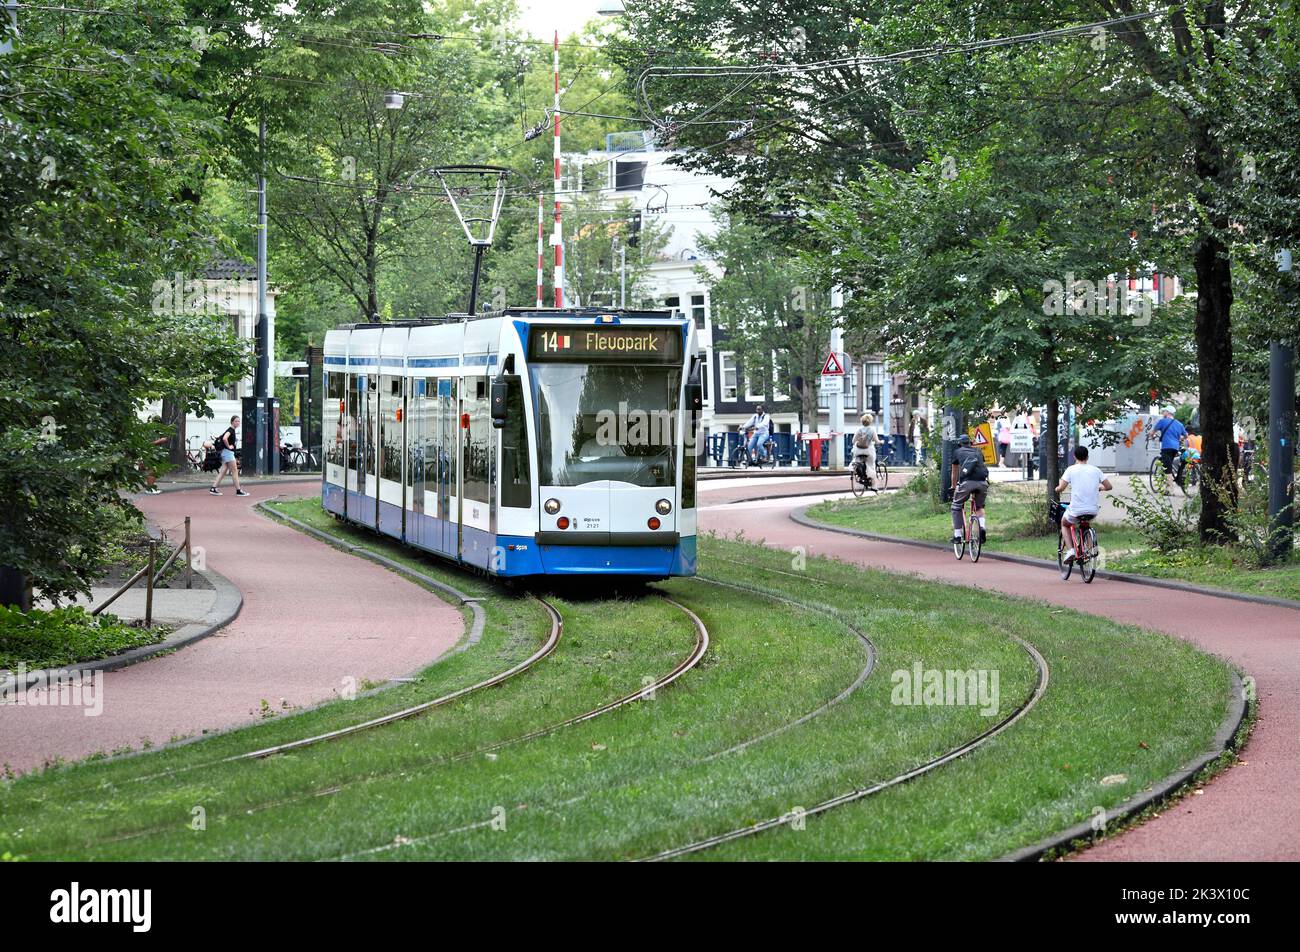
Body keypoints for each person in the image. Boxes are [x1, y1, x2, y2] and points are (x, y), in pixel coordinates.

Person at [1055, 445, 1112, 562]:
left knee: (1064, 524)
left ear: (1074, 456)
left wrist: (1057, 489)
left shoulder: (1071, 469)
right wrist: (1100, 487)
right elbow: (1109, 486)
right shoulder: (1096, 470)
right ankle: (1091, 550)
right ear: (1087, 457)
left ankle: (1071, 551)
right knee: (1085, 524)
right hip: (1093, 510)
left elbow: (1061, 488)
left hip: (1076, 510)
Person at [950, 434, 990, 544]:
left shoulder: (957, 452)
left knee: (956, 506)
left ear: (960, 444)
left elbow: (954, 472)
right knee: (979, 507)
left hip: (967, 483)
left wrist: (954, 486)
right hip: (983, 483)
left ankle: (957, 536)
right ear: (970, 443)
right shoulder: (978, 451)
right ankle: (982, 527)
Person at [210, 415, 249, 497]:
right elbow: (224, 438)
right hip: (228, 452)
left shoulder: (232, 430)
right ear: (232, 422)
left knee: (223, 471)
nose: (238, 423)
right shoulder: (230, 430)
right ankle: (238, 490)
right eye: (236, 421)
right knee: (235, 471)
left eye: (239, 421)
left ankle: (213, 488)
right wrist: (229, 446)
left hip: (225, 452)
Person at [1152, 407, 1188, 491]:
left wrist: (1152, 436)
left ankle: (1169, 489)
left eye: (1164, 411)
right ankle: (1175, 479)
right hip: (1175, 448)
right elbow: (1186, 435)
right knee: (1169, 463)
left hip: (1166, 447)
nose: (1162, 413)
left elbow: (1152, 432)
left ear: (1168, 412)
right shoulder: (1179, 424)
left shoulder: (1162, 421)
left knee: (1167, 467)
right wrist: (1179, 438)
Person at [852, 411, 881, 487]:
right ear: (870, 421)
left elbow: (853, 441)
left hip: (858, 451)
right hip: (868, 451)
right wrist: (881, 442)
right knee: (871, 465)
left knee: (858, 463)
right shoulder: (872, 430)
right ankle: (874, 486)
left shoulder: (859, 430)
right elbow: (876, 441)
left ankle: (861, 476)